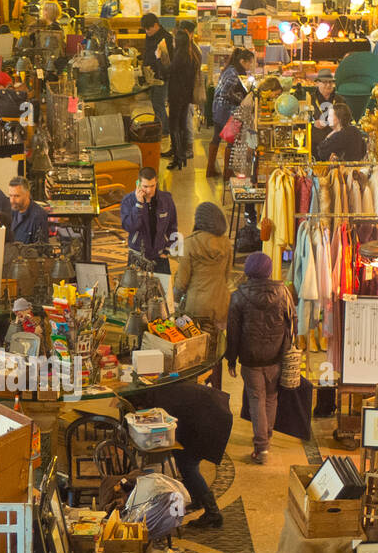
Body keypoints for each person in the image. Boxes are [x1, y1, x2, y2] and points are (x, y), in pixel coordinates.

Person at [126, 379, 233, 528]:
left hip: (211, 418)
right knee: (184, 457)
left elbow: (168, 426)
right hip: (209, 411)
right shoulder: (158, 391)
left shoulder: (160, 402)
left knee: (188, 465)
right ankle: (197, 498)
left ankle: (213, 513)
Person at [226, 251, 293, 464]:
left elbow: (233, 332)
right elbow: (291, 322)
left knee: (256, 399)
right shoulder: (283, 292)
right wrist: (286, 349)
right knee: (271, 397)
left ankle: (262, 447)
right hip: (276, 356)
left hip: (251, 358)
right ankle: (266, 438)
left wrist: (231, 359)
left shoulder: (238, 296)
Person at [175, 203, 233, 388]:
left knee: (196, 353)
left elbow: (181, 282)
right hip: (221, 304)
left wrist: (174, 300)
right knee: (216, 352)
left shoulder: (190, 243)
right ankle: (216, 390)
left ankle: (199, 390)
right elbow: (227, 275)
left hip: (197, 306)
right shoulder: (226, 243)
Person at [120, 168, 177, 275]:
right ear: (138, 184)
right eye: (145, 186)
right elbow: (129, 227)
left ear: (156, 182)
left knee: (163, 285)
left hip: (160, 254)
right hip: (137, 254)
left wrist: (167, 250)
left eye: (152, 186)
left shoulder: (166, 199)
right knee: (135, 285)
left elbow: (173, 227)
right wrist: (139, 205)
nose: (149, 190)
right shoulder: (128, 200)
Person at [208, 48, 255, 178]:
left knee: (216, 138)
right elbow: (226, 93)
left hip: (218, 109)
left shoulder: (230, 69)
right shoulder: (234, 73)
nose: (250, 65)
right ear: (242, 61)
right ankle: (227, 174)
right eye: (249, 62)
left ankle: (210, 170)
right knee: (231, 141)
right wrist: (241, 100)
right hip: (227, 110)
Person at [166, 29, 198, 170]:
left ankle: (177, 158)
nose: (173, 42)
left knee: (174, 126)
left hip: (176, 95)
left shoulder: (179, 57)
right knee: (182, 125)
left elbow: (168, 71)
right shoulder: (191, 55)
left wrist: (159, 58)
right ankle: (182, 156)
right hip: (186, 96)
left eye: (174, 40)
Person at [140, 13, 173, 134]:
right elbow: (147, 53)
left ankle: (164, 130)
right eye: (145, 29)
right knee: (155, 103)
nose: (146, 31)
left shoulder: (166, 38)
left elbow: (167, 61)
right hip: (150, 74)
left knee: (158, 104)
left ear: (155, 25)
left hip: (161, 76)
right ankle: (157, 126)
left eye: (148, 28)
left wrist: (162, 72)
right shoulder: (149, 35)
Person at [303, 68, 346, 149]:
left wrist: (337, 124)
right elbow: (302, 120)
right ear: (317, 83)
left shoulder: (340, 100)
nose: (328, 85)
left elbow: (347, 120)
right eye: (325, 82)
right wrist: (314, 123)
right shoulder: (310, 100)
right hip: (314, 144)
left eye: (330, 82)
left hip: (335, 144)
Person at [7, 177, 48, 244]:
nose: (12, 200)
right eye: (10, 196)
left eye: (17, 196)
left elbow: (41, 248)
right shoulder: (11, 211)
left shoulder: (38, 216)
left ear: (27, 194)